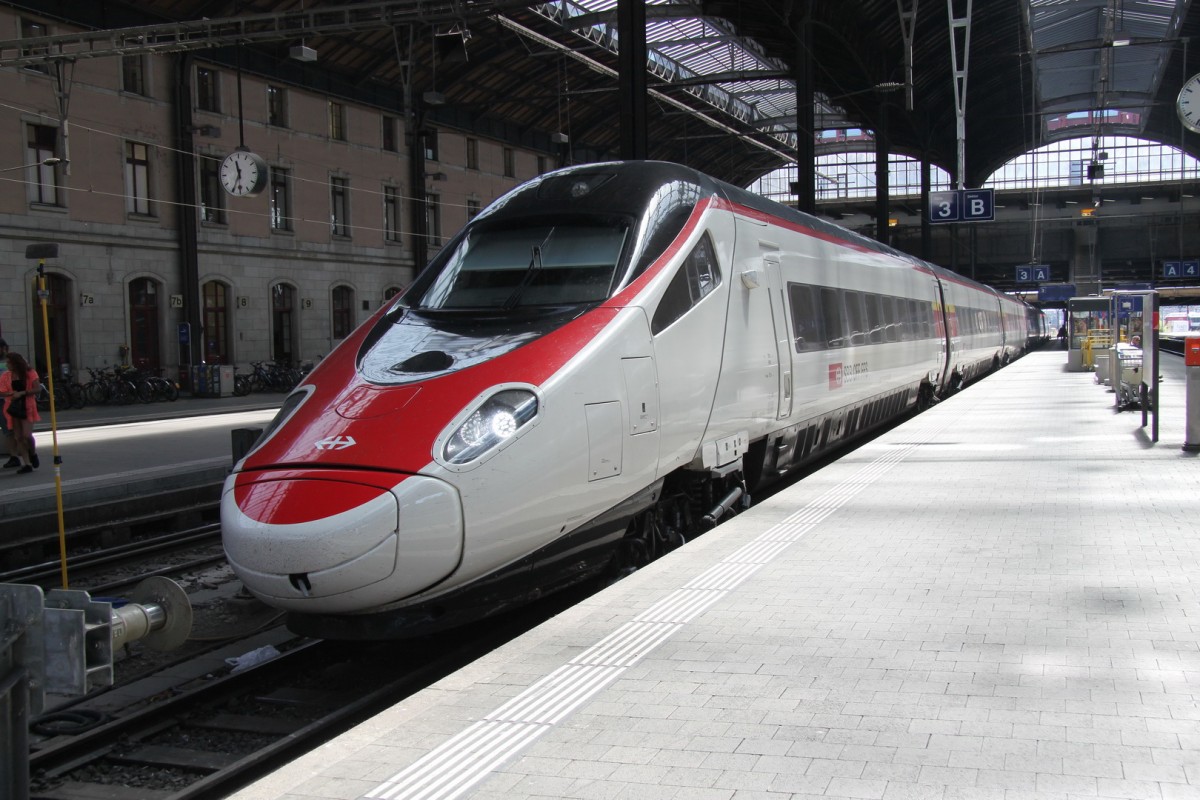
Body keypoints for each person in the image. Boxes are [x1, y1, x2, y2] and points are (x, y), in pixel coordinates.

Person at [0, 351, 41, 474]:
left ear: (15, 363)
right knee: (18, 437)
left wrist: (22, 393)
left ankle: (33, 453)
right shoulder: (6, 376)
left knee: (27, 435)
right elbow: (1, 391)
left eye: (9, 362)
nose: (7, 365)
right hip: (12, 407)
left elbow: (37, 389)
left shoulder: (30, 373)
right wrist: (10, 394)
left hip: (27, 406)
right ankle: (27, 464)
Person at [0, 338, 16, 469]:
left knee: (10, 430)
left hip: (7, 401)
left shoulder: (11, 361)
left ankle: (15, 456)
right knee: (8, 431)